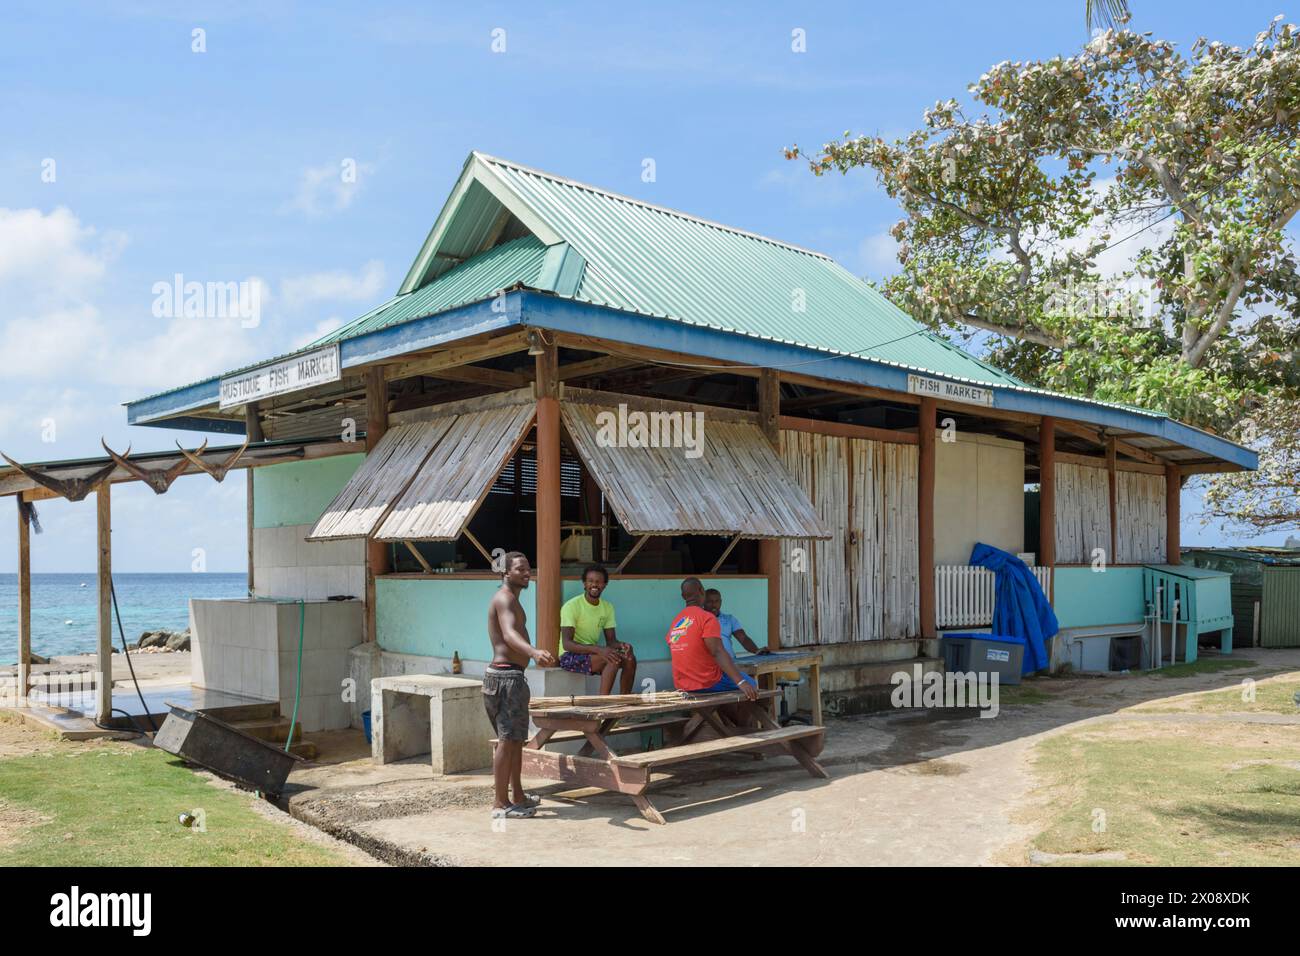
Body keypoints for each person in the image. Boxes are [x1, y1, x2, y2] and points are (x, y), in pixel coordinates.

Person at [485, 551, 554, 819]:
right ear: (506, 573)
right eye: (520, 569)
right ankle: (500, 805)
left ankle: (518, 796)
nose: (527, 573)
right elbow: (510, 634)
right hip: (505, 679)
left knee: (515, 740)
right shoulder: (504, 598)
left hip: (511, 678)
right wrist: (534, 652)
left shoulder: (512, 598)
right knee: (507, 740)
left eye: (528, 568)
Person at [665, 577, 758, 699]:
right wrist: (741, 682)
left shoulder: (676, 622)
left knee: (733, 681)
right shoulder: (707, 618)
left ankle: (722, 718)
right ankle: (735, 718)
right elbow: (717, 652)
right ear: (702, 591)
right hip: (706, 682)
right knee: (751, 684)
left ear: (683, 596)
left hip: (682, 684)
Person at [558, 565, 637, 695]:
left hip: (593, 653)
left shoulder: (607, 607)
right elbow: (567, 644)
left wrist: (624, 645)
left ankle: (625, 699)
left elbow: (611, 641)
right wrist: (599, 650)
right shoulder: (571, 606)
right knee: (611, 659)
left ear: (605, 585)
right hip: (569, 656)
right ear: (584, 584)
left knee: (630, 659)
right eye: (591, 581)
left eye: (599, 582)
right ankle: (603, 705)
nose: (594, 585)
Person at [702, 588, 761, 660]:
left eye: (716, 601)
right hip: (710, 665)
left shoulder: (729, 619)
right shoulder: (699, 620)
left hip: (731, 662)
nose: (714, 604)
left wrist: (757, 650)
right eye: (709, 602)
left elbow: (743, 639)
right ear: (703, 602)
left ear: (721, 602)